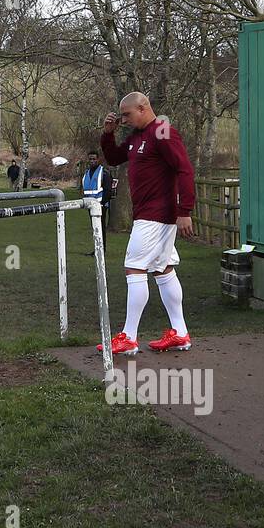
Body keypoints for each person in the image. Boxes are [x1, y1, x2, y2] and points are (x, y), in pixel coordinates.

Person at [97, 92, 196, 355]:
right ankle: (181, 333)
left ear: (143, 108)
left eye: (127, 115)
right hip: (150, 214)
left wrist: (185, 209)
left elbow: (184, 168)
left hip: (156, 214)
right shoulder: (137, 136)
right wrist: (108, 134)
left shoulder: (162, 131)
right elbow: (115, 157)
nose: (124, 120)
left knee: (134, 268)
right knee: (163, 269)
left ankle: (129, 336)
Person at [78, 150, 114, 254]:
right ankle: (97, 248)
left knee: (101, 228)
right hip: (90, 206)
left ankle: (101, 250)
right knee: (94, 228)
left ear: (98, 159)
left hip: (100, 206)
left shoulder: (104, 173)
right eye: (90, 159)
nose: (92, 161)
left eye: (94, 159)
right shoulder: (86, 173)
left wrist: (102, 203)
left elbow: (108, 190)